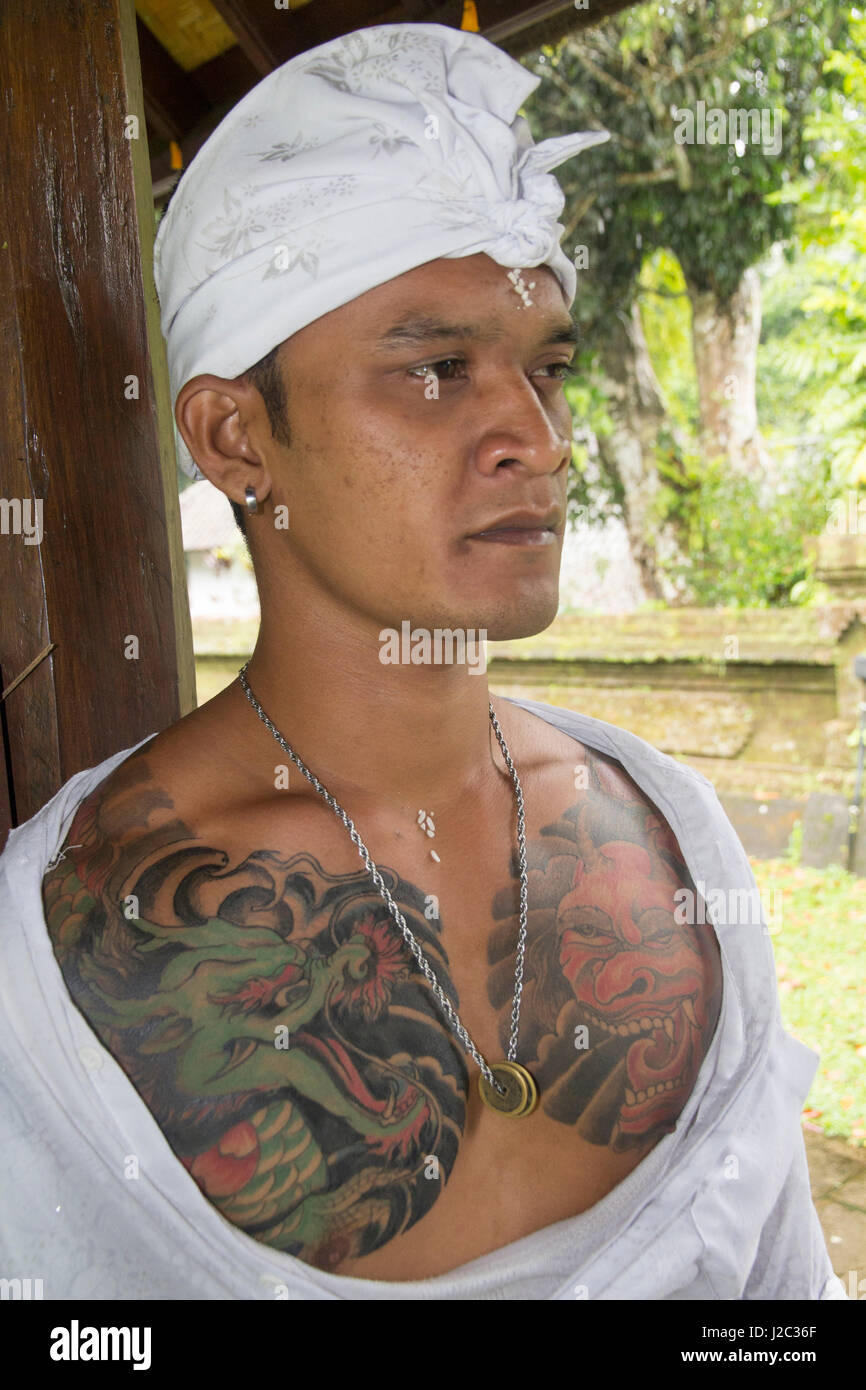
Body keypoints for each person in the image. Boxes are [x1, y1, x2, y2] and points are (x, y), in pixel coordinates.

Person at [0, 21, 845, 1300]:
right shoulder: (55, 934)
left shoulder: (670, 829)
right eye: (437, 369)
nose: (540, 436)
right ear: (235, 439)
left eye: (547, 367)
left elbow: (778, 1298)